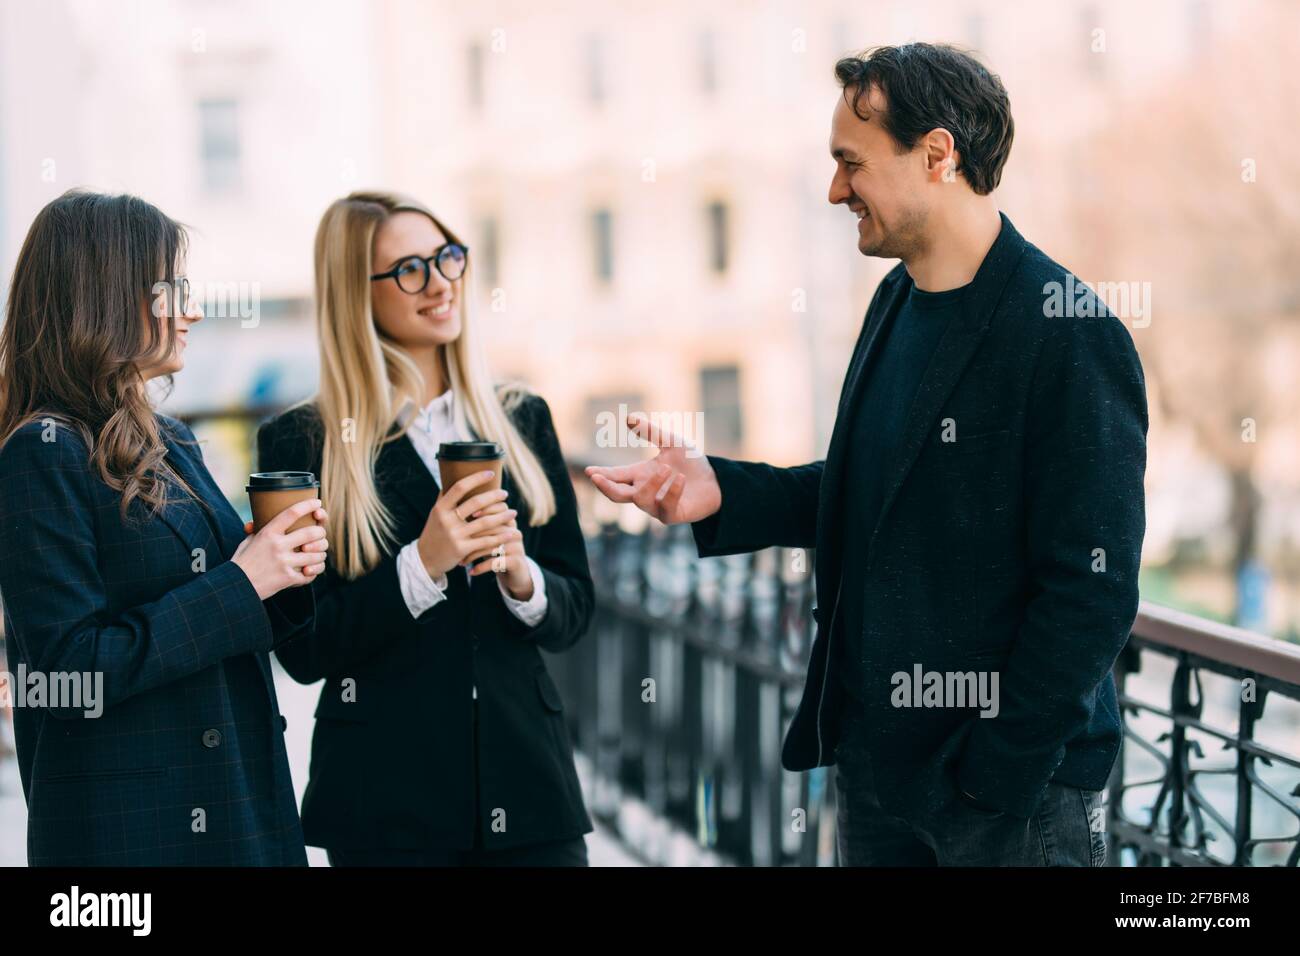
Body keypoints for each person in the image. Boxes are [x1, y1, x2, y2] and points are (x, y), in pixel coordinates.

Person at [587, 43, 1147, 867]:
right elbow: (880, 488)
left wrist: (995, 776)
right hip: (877, 775)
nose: (834, 189)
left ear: (936, 155)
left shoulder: (1068, 330)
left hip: (1004, 805)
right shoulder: (894, 300)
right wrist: (721, 490)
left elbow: (1091, 591)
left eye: (851, 162)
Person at [258, 191, 594, 866]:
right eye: (410, 269)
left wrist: (522, 576)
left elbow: (575, 611)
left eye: (447, 257)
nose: (440, 282)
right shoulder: (303, 442)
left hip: (529, 795)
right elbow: (304, 648)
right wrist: (423, 564)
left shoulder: (521, 417)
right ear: (356, 293)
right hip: (384, 806)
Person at [0, 190, 329, 865]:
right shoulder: (41, 450)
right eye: (171, 289)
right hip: (135, 838)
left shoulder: (172, 438)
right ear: (106, 295)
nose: (194, 310)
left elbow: (217, 601)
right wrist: (243, 580)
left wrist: (282, 563)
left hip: (241, 806)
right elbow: (68, 674)